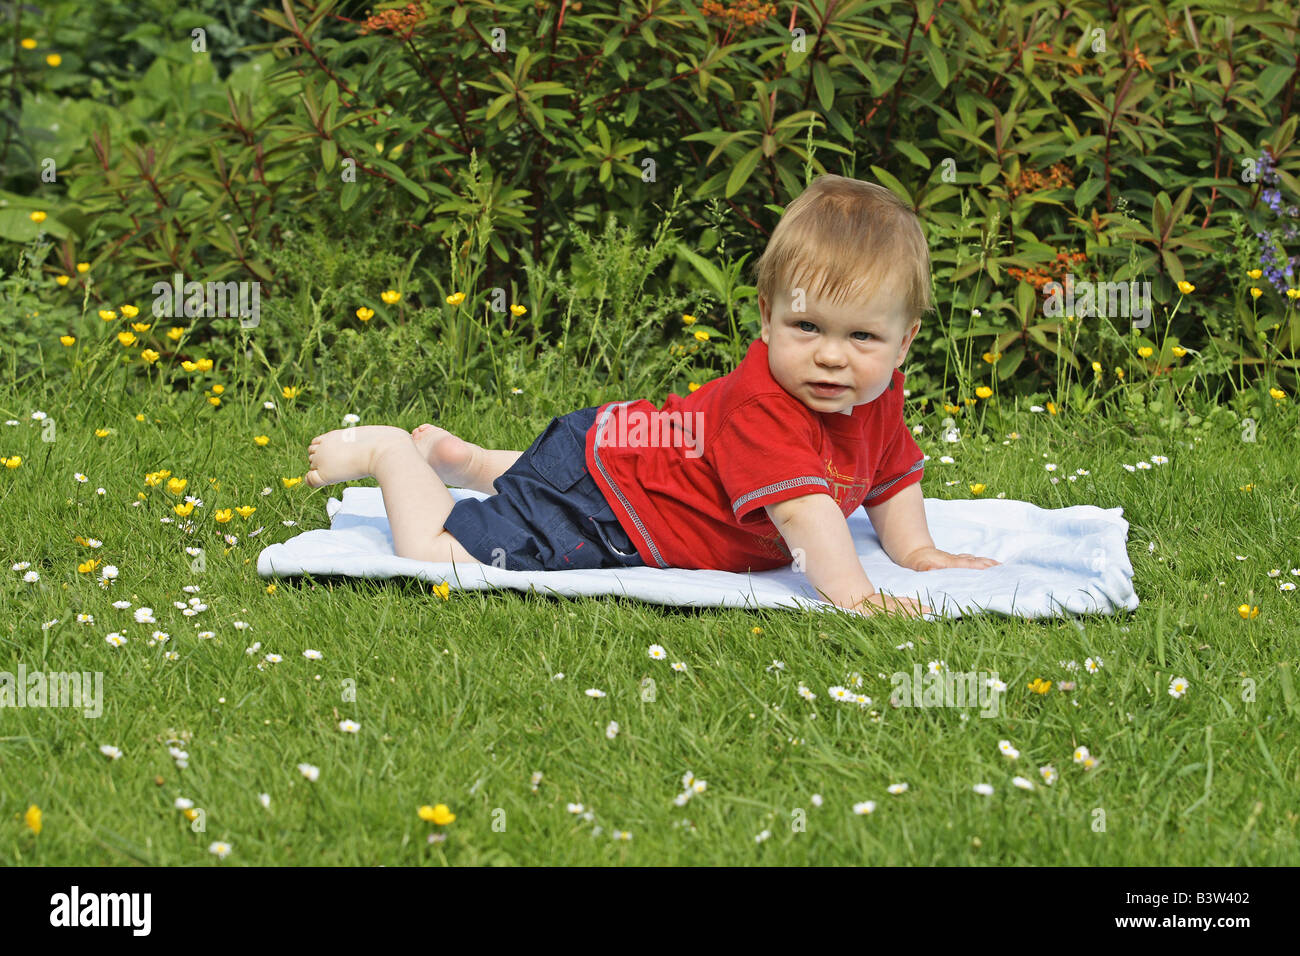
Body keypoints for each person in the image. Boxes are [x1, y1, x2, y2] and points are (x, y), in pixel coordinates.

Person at [304, 174, 999, 617]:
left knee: (558, 471)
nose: (830, 355)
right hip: (606, 506)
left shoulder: (875, 398)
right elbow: (808, 519)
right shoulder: (766, 411)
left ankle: (472, 461)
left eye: (862, 339)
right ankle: (391, 451)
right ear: (766, 315)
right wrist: (858, 597)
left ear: (903, 345)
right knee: (438, 551)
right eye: (806, 326)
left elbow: (890, 472)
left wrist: (916, 552)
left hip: (611, 451)